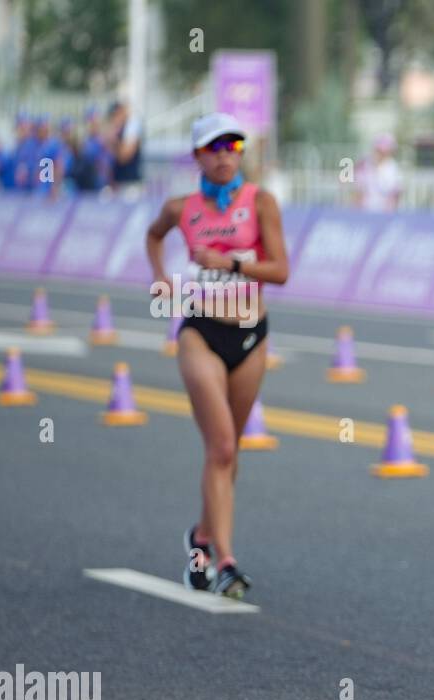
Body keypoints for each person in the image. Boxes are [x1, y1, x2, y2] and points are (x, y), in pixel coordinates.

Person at [144, 113, 290, 598]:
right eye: (215, 147)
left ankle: (200, 540)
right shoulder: (181, 208)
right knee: (221, 447)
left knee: (231, 453)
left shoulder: (260, 202)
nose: (226, 154)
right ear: (198, 156)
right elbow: (153, 234)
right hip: (201, 333)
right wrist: (161, 277)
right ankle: (225, 563)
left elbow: (281, 271)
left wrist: (229, 262)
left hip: (250, 335)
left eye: (234, 145)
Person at [107, 100, 143, 198]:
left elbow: (125, 157)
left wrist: (114, 141)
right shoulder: (118, 129)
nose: (115, 118)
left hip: (130, 185)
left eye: (117, 114)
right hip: (118, 184)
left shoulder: (133, 126)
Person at [359, 133, 402, 213]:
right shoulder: (365, 164)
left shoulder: (393, 168)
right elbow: (358, 190)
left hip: (384, 212)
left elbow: (396, 194)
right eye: (379, 150)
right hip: (365, 210)